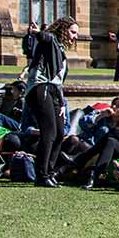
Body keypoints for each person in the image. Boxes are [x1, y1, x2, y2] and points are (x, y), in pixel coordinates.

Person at [24, 16, 77, 188]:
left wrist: (61, 103)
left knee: (60, 132)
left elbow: (59, 80)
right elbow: (44, 37)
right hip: (41, 88)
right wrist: (36, 32)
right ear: (63, 29)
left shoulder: (60, 48)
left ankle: (50, 171)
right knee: (49, 132)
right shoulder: (51, 40)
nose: (75, 36)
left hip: (54, 91)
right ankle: (42, 175)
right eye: (72, 32)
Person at [57, 97, 119, 188]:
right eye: (114, 104)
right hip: (86, 145)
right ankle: (57, 169)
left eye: (118, 106)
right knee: (73, 139)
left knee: (95, 146)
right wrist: (100, 116)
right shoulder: (103, 116)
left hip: (99, 152)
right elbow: (82, 123)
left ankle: (70, 165)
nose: (113, 107)